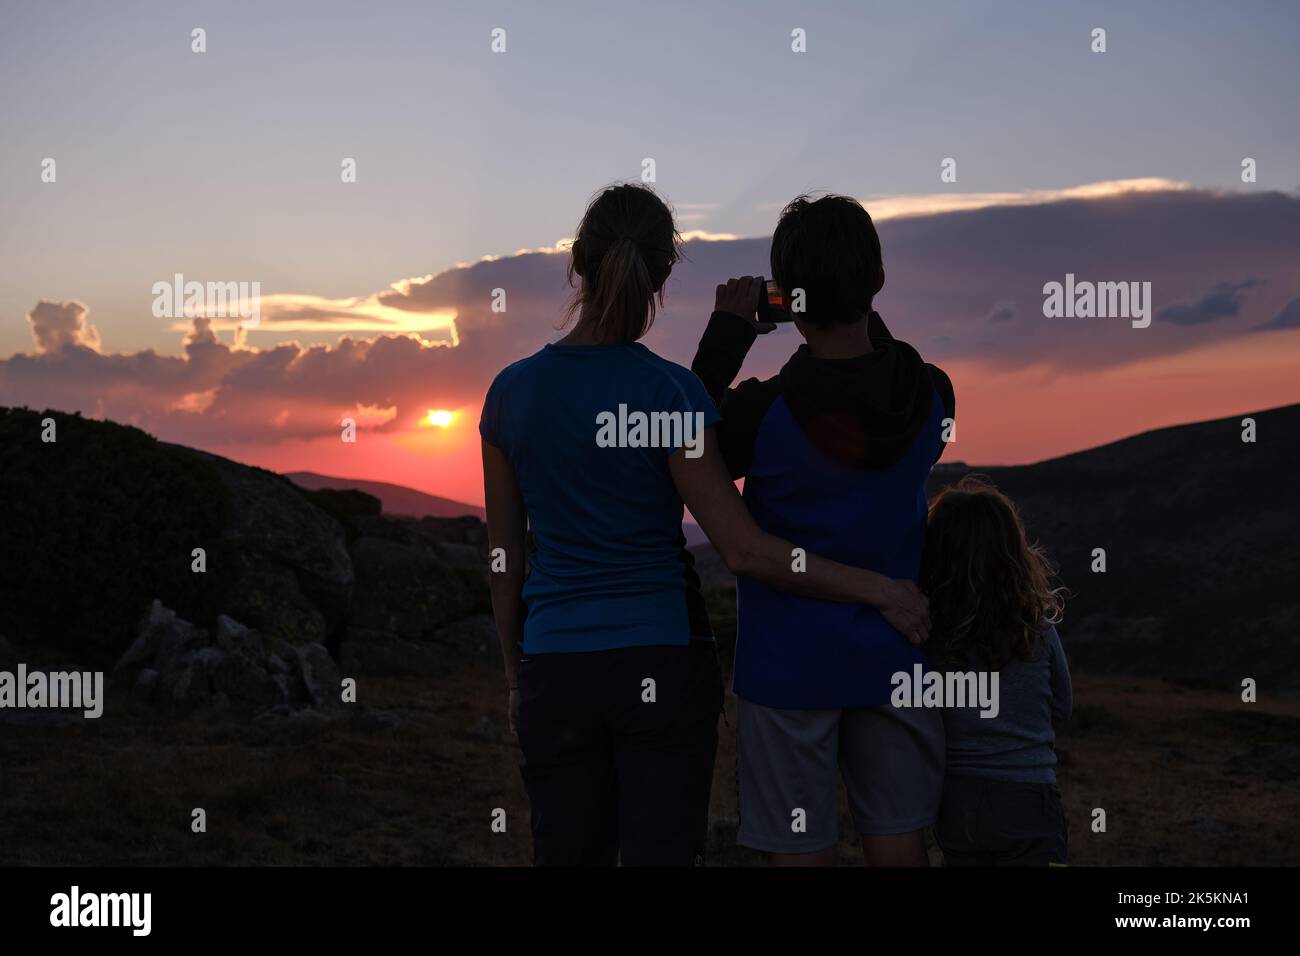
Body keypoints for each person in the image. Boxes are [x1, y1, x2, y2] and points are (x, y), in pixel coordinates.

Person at [480, 183, 931, 866]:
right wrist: (883, 589)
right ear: (664, 273)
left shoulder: (509, 392)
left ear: (578, 262)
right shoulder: (672, 393)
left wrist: (518, 675)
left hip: (554, 663)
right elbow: (743, 549)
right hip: (662, 657)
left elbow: (505, 559)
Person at [690, 194, 955, 866]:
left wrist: (727, 335)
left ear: (788, 298)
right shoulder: (933, 395)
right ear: (878, 280)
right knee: (900, 846)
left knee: (802, 852)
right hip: (898, 654)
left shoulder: (760, 416)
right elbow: (879, 376)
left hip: (790, 670)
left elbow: (682, 440)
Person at [921, 476, 1072, 866]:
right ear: (1014, 554)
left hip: (956, 801)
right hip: (1028, 798)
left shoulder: (926, 635)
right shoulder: (1037, 630)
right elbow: (1062, 706)